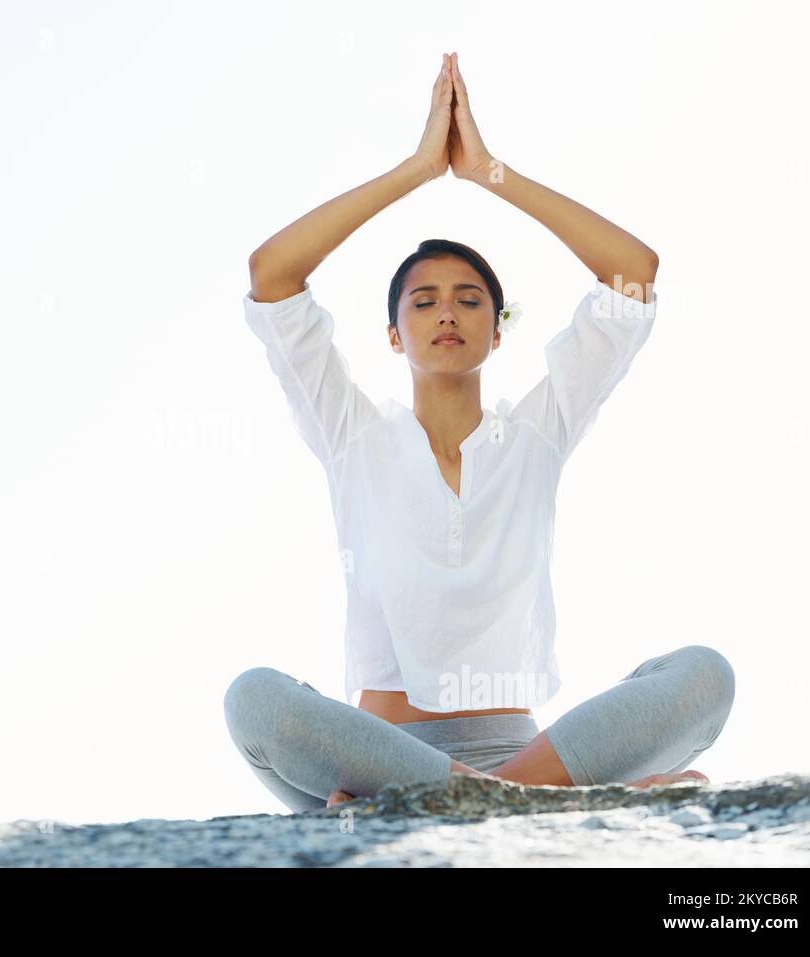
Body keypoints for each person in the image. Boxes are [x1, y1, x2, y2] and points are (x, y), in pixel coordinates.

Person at [225, 52, 734, 813]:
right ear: (394, 335)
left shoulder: (536, 434)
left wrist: (490, 173)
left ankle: (495, 796)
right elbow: (272, 276)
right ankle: (521, 801)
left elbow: (633, 272)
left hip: (518, 755)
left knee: (705, 675)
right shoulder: (351, 434)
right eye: (422, 301)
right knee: (255, 700)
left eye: (468, 300)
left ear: (497, 332)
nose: (446, 313)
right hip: (378, 760)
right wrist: (416, 170)